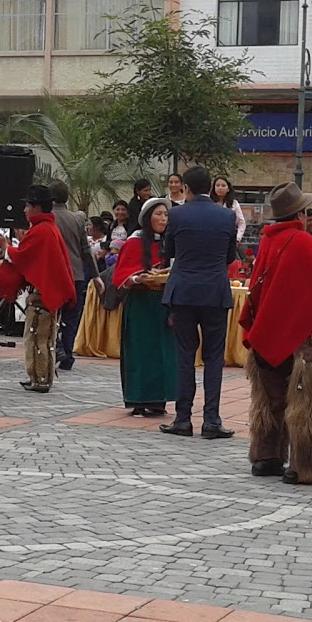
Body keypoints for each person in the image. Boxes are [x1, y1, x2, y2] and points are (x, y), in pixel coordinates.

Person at [241, 182, 312, 485]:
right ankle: (305, 467)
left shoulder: (268, 241)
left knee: (269, 399)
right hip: (294, 339)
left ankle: (266, 457)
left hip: (265, 336)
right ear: (298, 214)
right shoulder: (302, 241)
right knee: (306, 405)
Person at [161, 165, 237, 440]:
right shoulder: (227, 216)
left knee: (184, 355)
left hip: (183, 291)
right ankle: (211, 419)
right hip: (215, 292)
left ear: (186, 188)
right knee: (214, 357)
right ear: (210, 187)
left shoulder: (177, 214)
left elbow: (168, 251)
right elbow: (230, 256)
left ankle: (183, 418)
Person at [0, 186, 77, 393]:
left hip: (42, 294)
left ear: (37, 207)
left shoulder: (41, 231)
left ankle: (40, 377)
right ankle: (40, 376)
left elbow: (23, 256)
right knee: (43, 336)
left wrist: (5, 247)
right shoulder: (47, 229)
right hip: (45, 292)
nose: (24, 210)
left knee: (38, 336)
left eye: (27, 205)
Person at [113, 197, 176, 418]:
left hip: (162, 304)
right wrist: (138, 278)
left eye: (166, 214)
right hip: (140, 303)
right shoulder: (134, 242)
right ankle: (138, 398)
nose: (163, 218)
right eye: (158, 214)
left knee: (162, 352)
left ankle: (159, 399)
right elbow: (121, 274)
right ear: (148, 217)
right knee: (140, 351)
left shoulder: (171, 243)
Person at [51, 181, 99, 372]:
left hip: (55, 273)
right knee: (71, 318)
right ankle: (68, 355)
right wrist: (95, 275)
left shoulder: (46, 218)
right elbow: (85, 250)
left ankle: (58, 347)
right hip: (77, 273)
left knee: (50, 314)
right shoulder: (78, 219)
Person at [212, 176, 247, 242]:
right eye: (217, 185)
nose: (220, 188)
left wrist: (237, 239)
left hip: (228, 239)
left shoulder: (234, 203)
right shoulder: (209, 202)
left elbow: (242, 223)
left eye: (223, 185)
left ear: (228, 189)